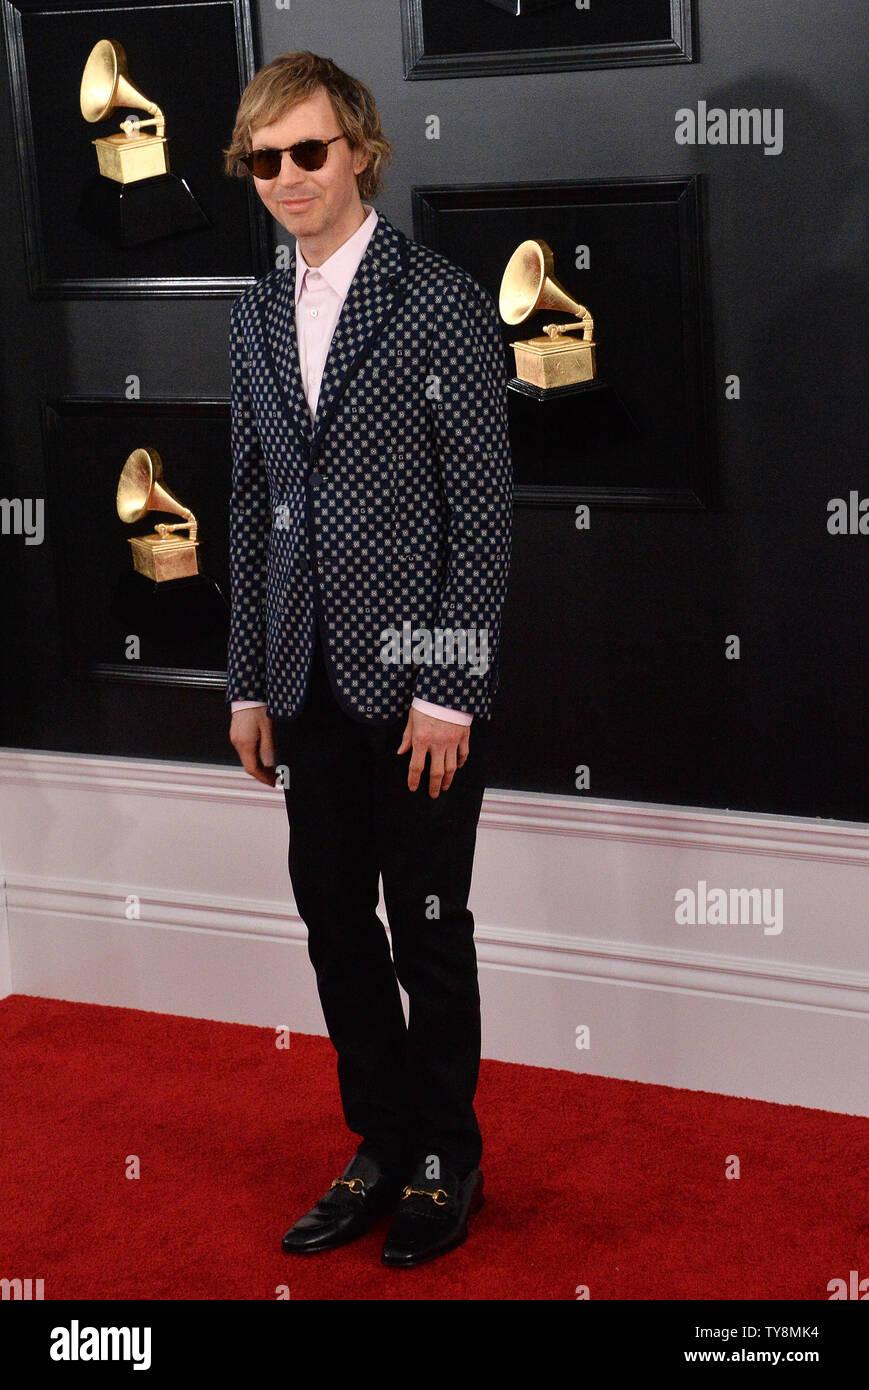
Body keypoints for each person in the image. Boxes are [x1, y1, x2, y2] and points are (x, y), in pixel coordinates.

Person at [223, 50, 512, 1267]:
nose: (287, 177)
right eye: (262, 159)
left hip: (418, 693)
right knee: (334, 924)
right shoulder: (248, 310)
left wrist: (449, 685)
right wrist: (245, 677)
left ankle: (449, 1153)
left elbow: (484, 508)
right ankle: (381, 1139)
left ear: (360, 153)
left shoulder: (436, 297)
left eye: (307, 152)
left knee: (426, 923)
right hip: (301, 682)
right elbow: (246, 498)